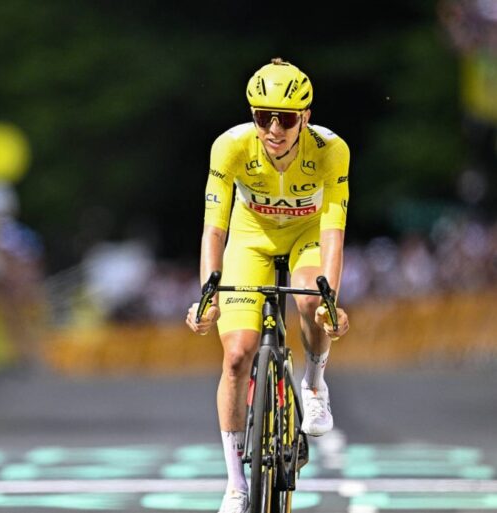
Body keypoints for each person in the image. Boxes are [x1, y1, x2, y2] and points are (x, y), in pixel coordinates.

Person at [185, 58, 350, 513]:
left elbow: (334, 230)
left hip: (307, 236)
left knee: (312, 297)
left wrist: (331, 301)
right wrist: (207, 294)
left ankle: (314, 384)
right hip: (251, 240)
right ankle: (236, 483)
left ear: (306, 118)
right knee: (237, 355)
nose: (273, 128)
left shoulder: (332, 151)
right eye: (262, 116)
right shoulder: (231, 147)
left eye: (286, 118)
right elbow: (214, 228)